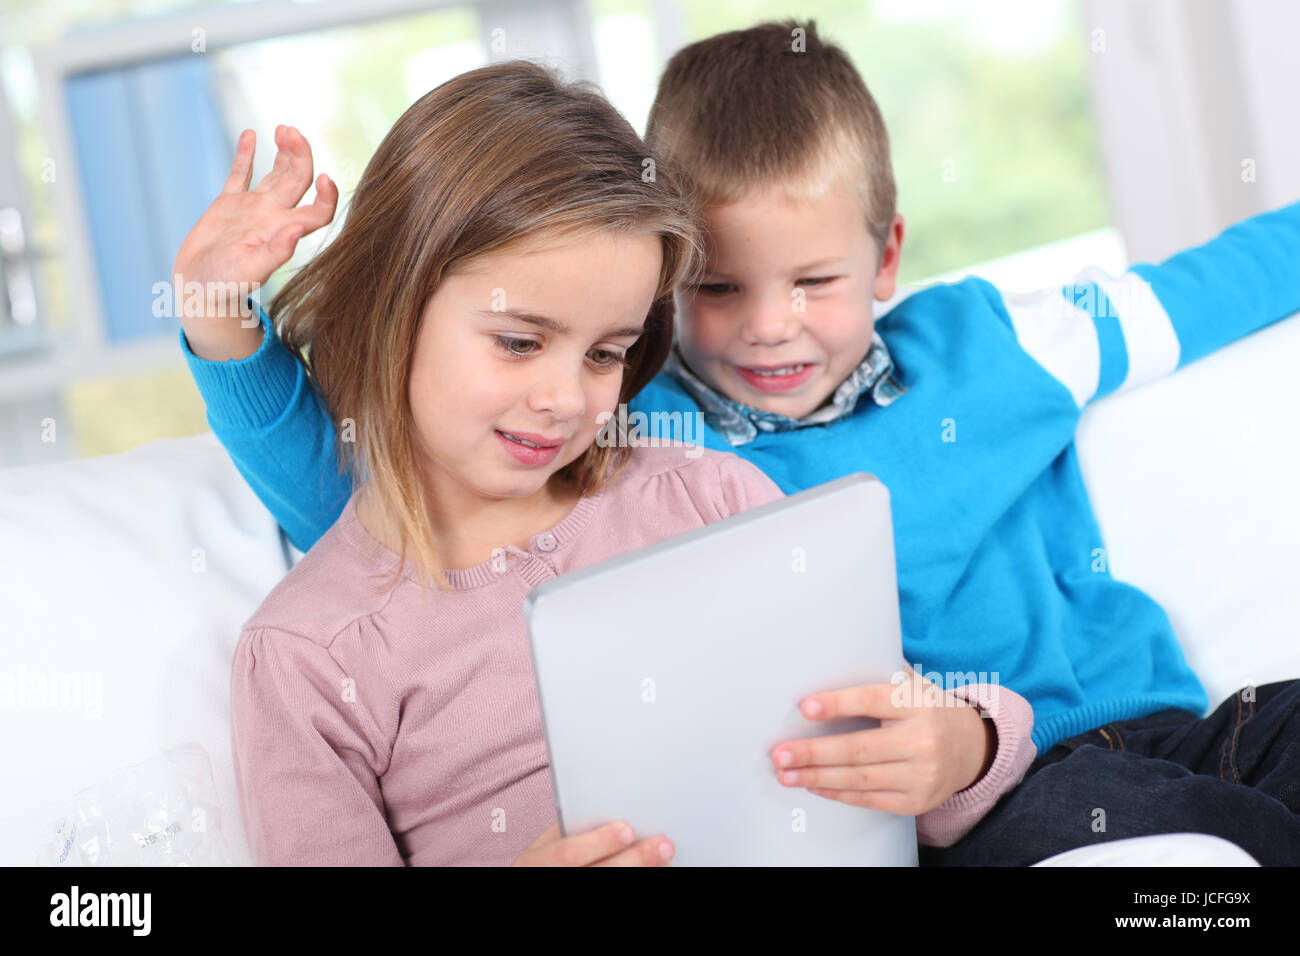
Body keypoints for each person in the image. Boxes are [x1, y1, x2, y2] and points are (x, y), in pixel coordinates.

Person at [175, 59, 1030, 865]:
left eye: (604, 353)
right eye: (518, 341)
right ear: (391, 312)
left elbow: (892, 721)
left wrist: (964, 744)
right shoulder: (307, 655)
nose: (564, 399)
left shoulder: (708, 497)